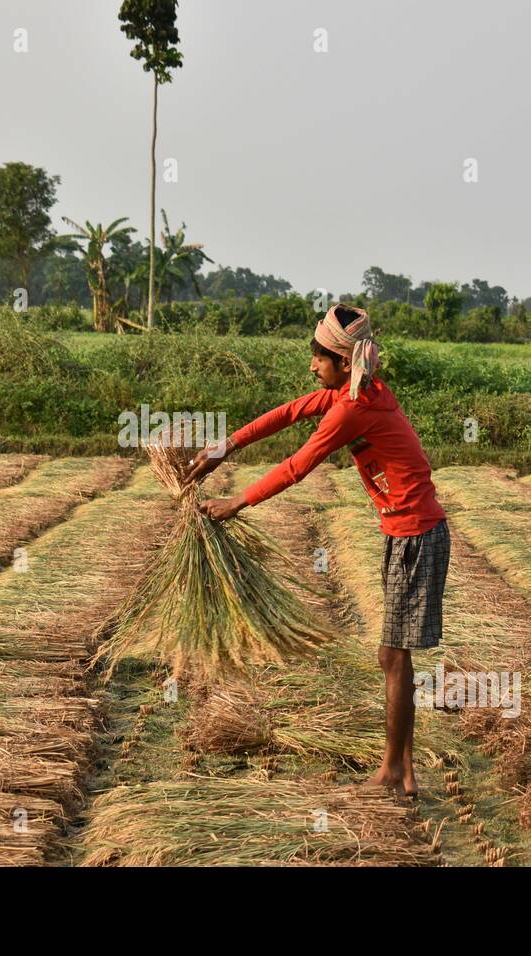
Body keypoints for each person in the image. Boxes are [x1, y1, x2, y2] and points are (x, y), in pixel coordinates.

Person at [186, 303, 450, 799]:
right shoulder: (357, 392)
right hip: (405, 533)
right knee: (394, 655)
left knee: (392, 655)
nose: (312, 365)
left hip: (417, 535)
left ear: (344, 363)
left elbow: (298, 464)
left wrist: (236, 502)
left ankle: (396, 771)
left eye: (319, 357)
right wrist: (227, 446)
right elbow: (287, 414)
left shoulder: (354, 408)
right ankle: (403, 770)